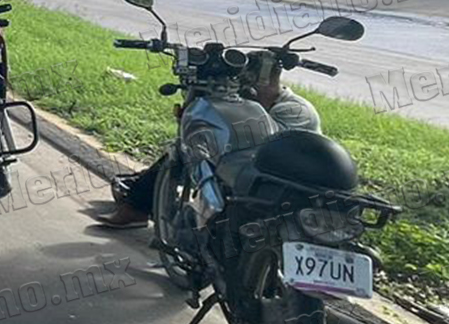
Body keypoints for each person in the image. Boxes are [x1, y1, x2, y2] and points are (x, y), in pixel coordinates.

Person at [101, 51, 322, 228]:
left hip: (280, 178)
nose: (247, 91)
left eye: (252, 85)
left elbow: (261, 143)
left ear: (267, 83)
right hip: (265, 173)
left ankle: (138, 206)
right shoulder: (264, 106)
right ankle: (142, 205)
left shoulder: (294, 110)